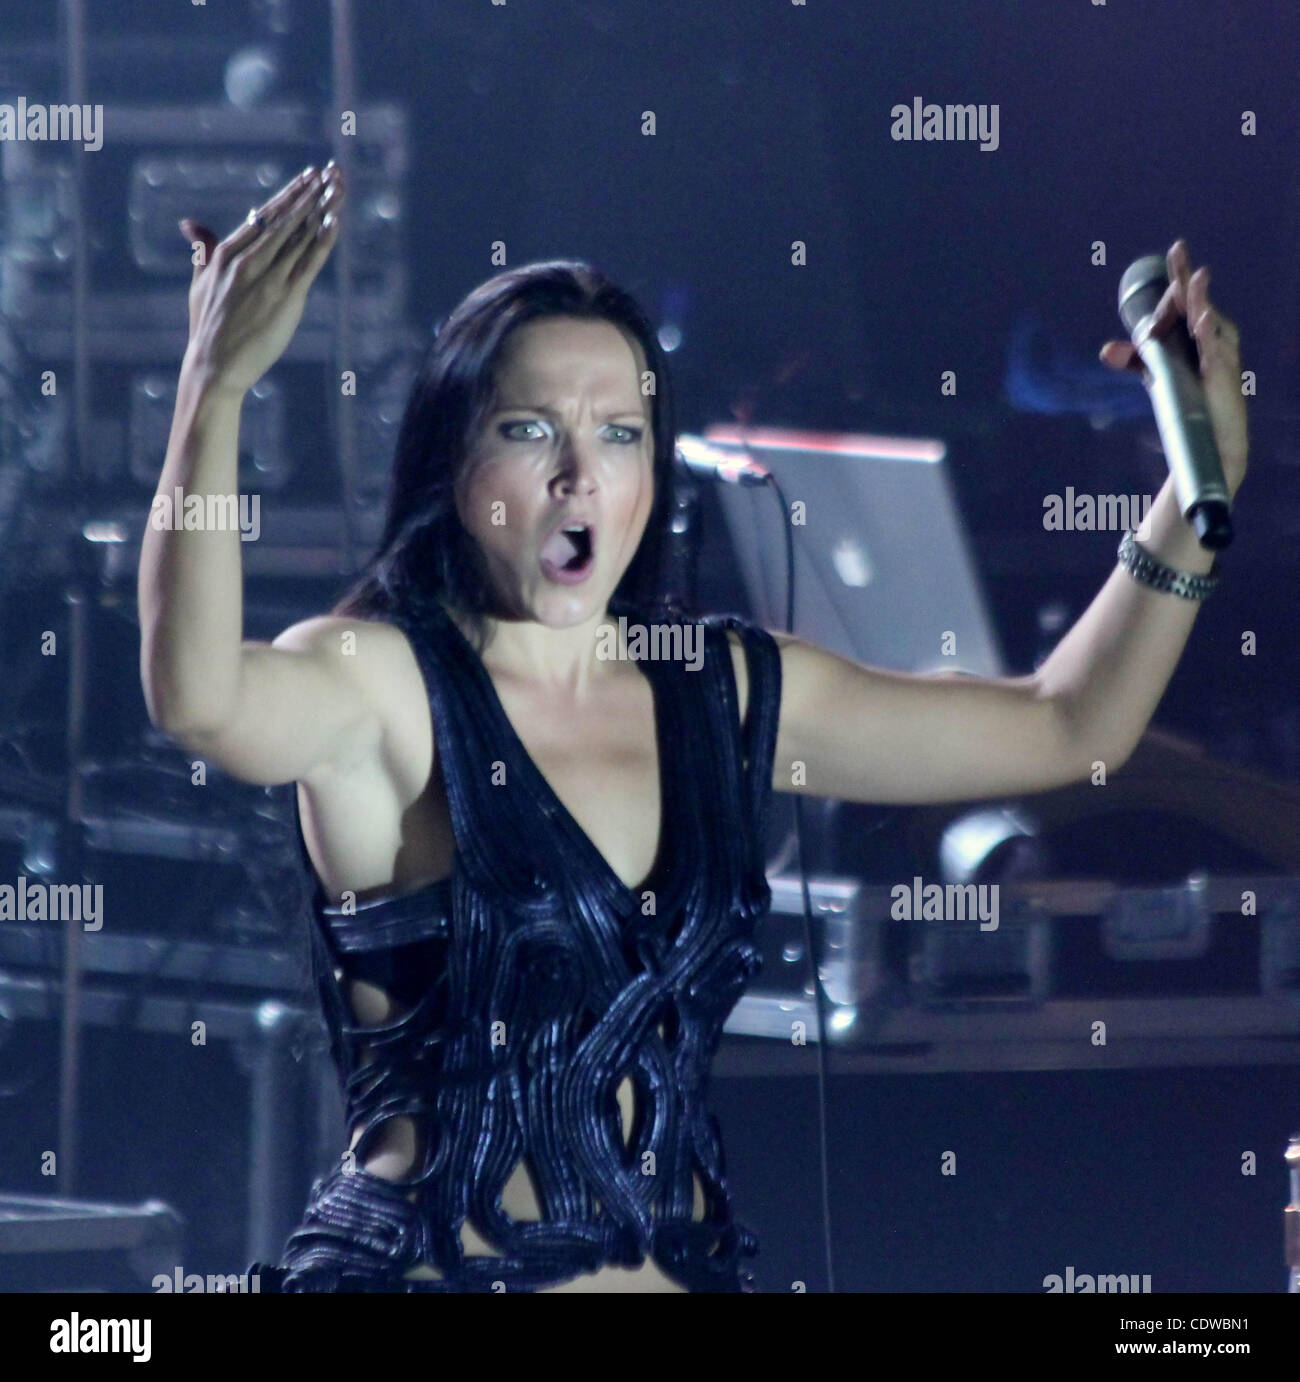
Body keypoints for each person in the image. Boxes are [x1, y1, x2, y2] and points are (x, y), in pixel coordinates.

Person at [138, 162, 1249, 1292]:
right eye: (530, 429)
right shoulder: (377, 679)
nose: (579, 473)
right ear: (455, 465)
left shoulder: (716, 689)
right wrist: (214, 390)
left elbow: (1068, 725)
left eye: (617, 434)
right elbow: (198, 698)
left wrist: (1194, 500)